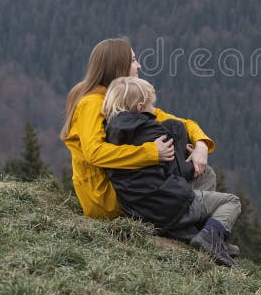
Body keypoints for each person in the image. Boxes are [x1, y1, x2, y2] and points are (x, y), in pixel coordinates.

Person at [60, 37, 216, 220]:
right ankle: (198, 227)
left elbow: (179, 122)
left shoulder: (120, 98)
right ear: (117, 66)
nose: (139, 66)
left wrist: (201, 145)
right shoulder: (92, 103)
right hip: (106, 198)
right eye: (133, 60)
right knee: (202, 175)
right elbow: (94, 152)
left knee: (198, 166)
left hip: (126, 187)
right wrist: (151, 153)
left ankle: (201, 227)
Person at [102, 76, 241, 267]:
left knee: (207, 173)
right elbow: (176, 172)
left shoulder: (111, 133)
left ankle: (201, 234)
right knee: (231, 202)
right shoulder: (152, 132)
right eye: (152, 105)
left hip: (139, 209)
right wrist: (190, 161)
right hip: (167, 206)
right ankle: (210, 237)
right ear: (141, 107)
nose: (154, 111)